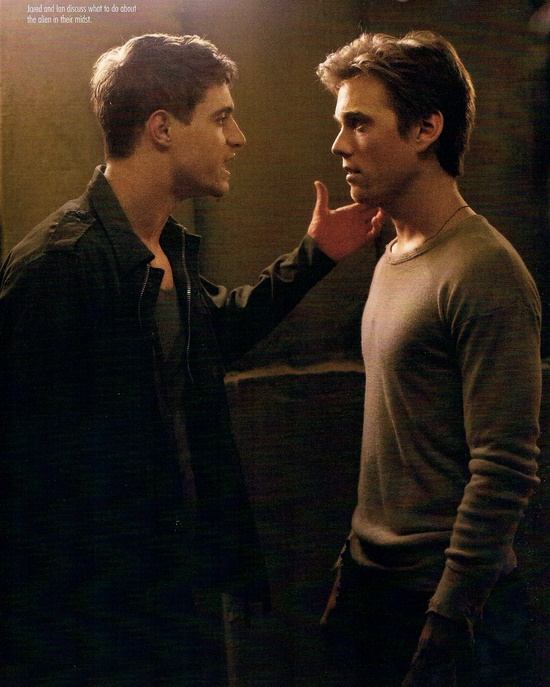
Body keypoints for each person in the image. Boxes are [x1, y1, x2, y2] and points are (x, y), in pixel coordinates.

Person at [0, 34, 382, 686]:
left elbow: (214, 329)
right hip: (98, 620)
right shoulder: (57, 268)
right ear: (161, 129)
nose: (238, 138)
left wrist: (314, 256)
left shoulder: (162, 249)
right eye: (221, 117)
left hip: (176, 583)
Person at [316, 31, 542, 687]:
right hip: (374, 585)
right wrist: (351, 565)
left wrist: (450, 613)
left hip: (446, 600)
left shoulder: (485, 269)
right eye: (341, 124)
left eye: (360, 123)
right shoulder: (392, 253)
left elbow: (504, 465)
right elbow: (396, 438)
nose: (339, 145)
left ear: (425, 129)